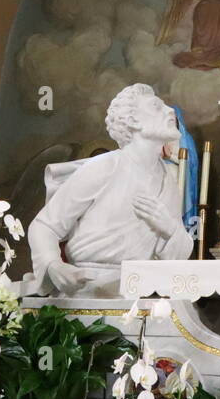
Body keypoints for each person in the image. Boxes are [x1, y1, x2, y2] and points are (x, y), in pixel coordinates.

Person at [28, 85, 193, 297]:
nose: (170, 110)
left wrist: (170, 228)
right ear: (133, 121)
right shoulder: (106, 167)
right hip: (90, 289)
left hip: (142, 290)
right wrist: (53, 265)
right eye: (156, 106)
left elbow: (179, 252)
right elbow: (45, 226)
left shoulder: (168, 180)